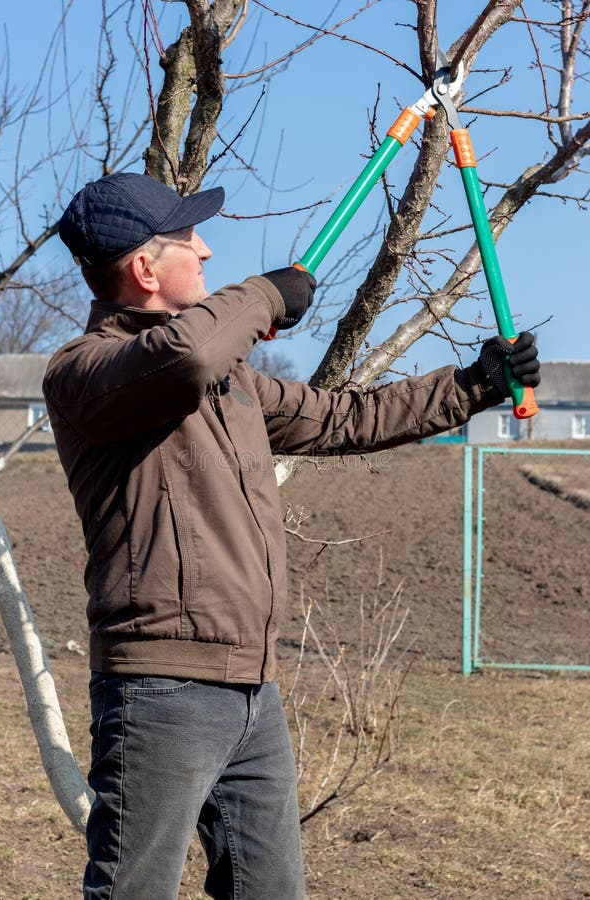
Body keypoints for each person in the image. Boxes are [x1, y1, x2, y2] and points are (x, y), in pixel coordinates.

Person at [43, 171, 540, 900]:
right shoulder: (86, 374)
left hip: (253, 688)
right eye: (188, 238)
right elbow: (184, 357)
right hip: (160, 689)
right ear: (145, 269)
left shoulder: (233, 381)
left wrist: (473, 384)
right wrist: (266, 295)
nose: (207, 250)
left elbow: (346, 418)